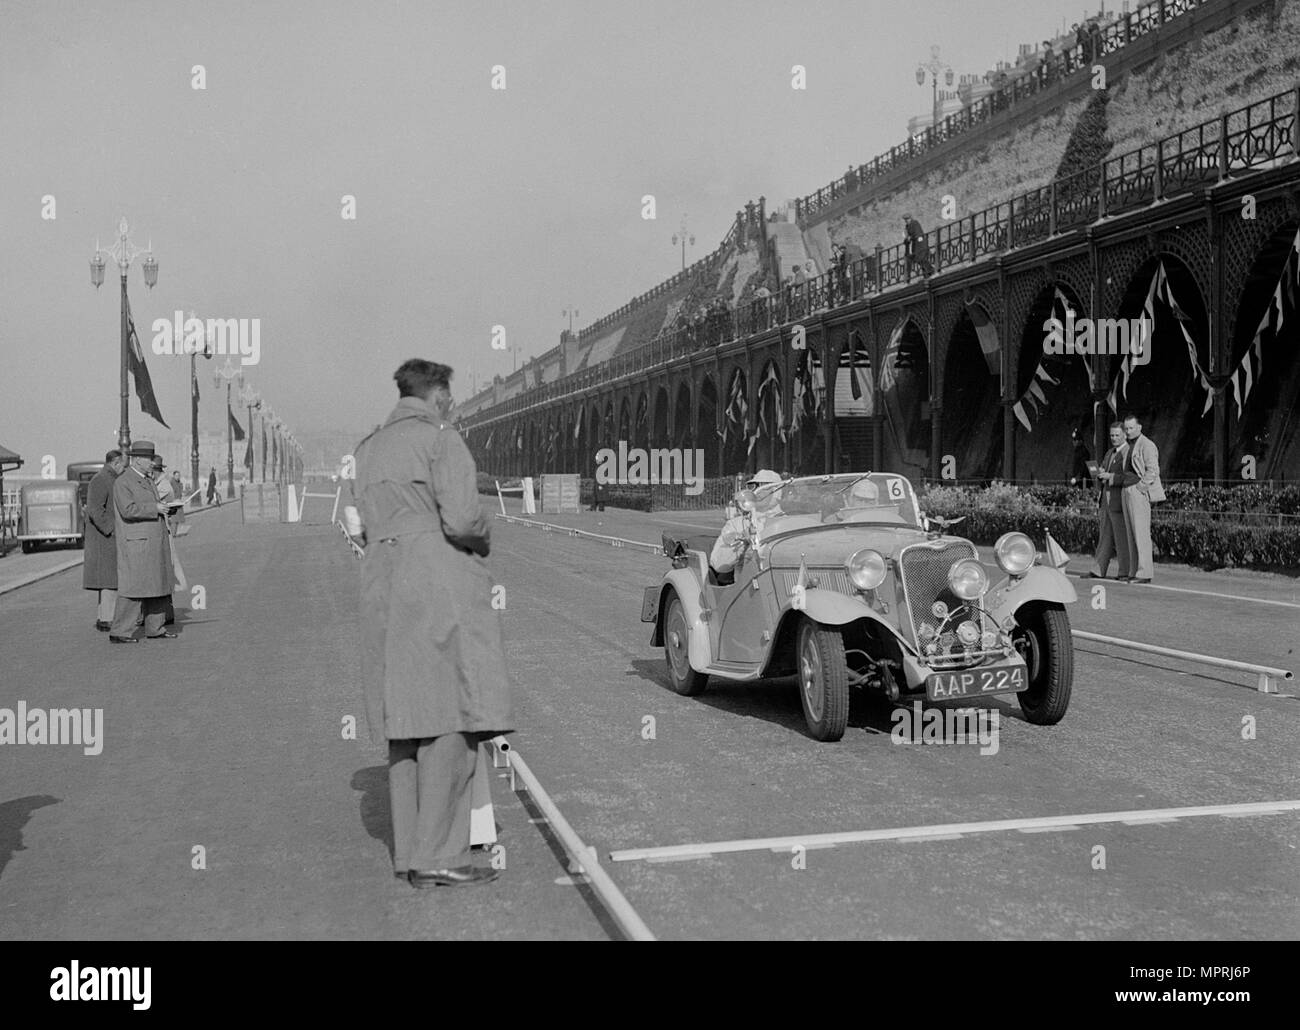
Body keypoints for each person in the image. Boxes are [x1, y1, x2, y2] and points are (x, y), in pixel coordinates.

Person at [348, 359, 514, 888]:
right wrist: (484, 536)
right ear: (438, 394)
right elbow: (463, 518)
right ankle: (443, 854)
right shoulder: (441, 438)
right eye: (449, 394)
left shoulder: (368, 448)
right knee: (451, 712)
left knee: (405, 719)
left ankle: (412, 855)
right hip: (436, 580)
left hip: (383, 585)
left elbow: (364, 522)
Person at [108, 441, 176, 642]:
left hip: (151, 542)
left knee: (156, 585)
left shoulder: (146, 480)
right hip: (137, 543)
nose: (152, 462)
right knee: (133, 589)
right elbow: (127, 510)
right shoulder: (123, 482)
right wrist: (155, 508)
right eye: (148, 459)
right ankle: (119, 631)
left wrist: (165, 508)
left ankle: (155, 628)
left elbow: (149, 504)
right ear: (136, 460)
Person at [709, 469, 783, 577]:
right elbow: (718, 564)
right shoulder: (737, 524)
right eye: (753, 486)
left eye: (765, 486)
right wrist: (743, 541)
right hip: (748, 587)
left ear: (777, 490)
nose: (758, 490)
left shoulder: (791, 521)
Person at [1119, 414, 1164, 584]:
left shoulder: (1147, 445)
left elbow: (1153, 469)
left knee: (1141, 532)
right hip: (1126, 489)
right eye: (1126, 428)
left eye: (1131, 428)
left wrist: (1141, 488)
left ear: (1139, 427)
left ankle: (1144, 572)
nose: (1128, 431)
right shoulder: (1128, 446)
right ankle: (1134, 570)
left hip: (1137, 490)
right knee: (1131, 533)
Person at [84, 449, 125, 631]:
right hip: (105, 539)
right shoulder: (101, 480)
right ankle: (107, 619)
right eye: (122, 465)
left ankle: (104, 617)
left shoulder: (105, 478)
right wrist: (113, 529)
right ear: (115, 463)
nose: (123, 469)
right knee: (109, 580)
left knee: (107, 579)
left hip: (105, 538)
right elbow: (95, 510)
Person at [1083, 422, 1131, 580]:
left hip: (1118, 501)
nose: (1114, 438)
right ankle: (1098, 569)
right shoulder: (1110, 452)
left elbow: (1129, 477)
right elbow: (1104, 468)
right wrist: (1101, 472)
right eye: (1112, 435)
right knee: (1104, 536)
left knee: (1121, 539)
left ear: (1124, 434)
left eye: (1117, 435)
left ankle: (1124, 571)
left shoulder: (1128, 452)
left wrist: (1109, 477)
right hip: (1105, 501)